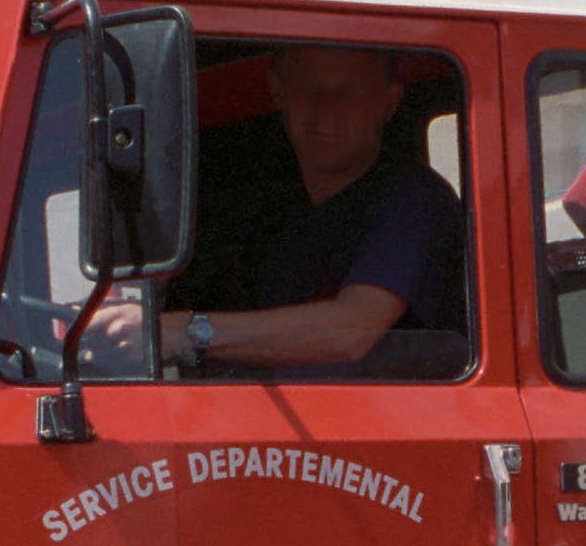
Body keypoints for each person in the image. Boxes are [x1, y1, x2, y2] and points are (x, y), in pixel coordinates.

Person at [141, 43, 466, 372]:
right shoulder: (271, 217)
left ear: (389, 102)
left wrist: (187, 332)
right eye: (309, 88)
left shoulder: (416, 202)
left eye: (351, 93)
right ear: (277, 91)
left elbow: (353, 331)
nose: (327, 110)